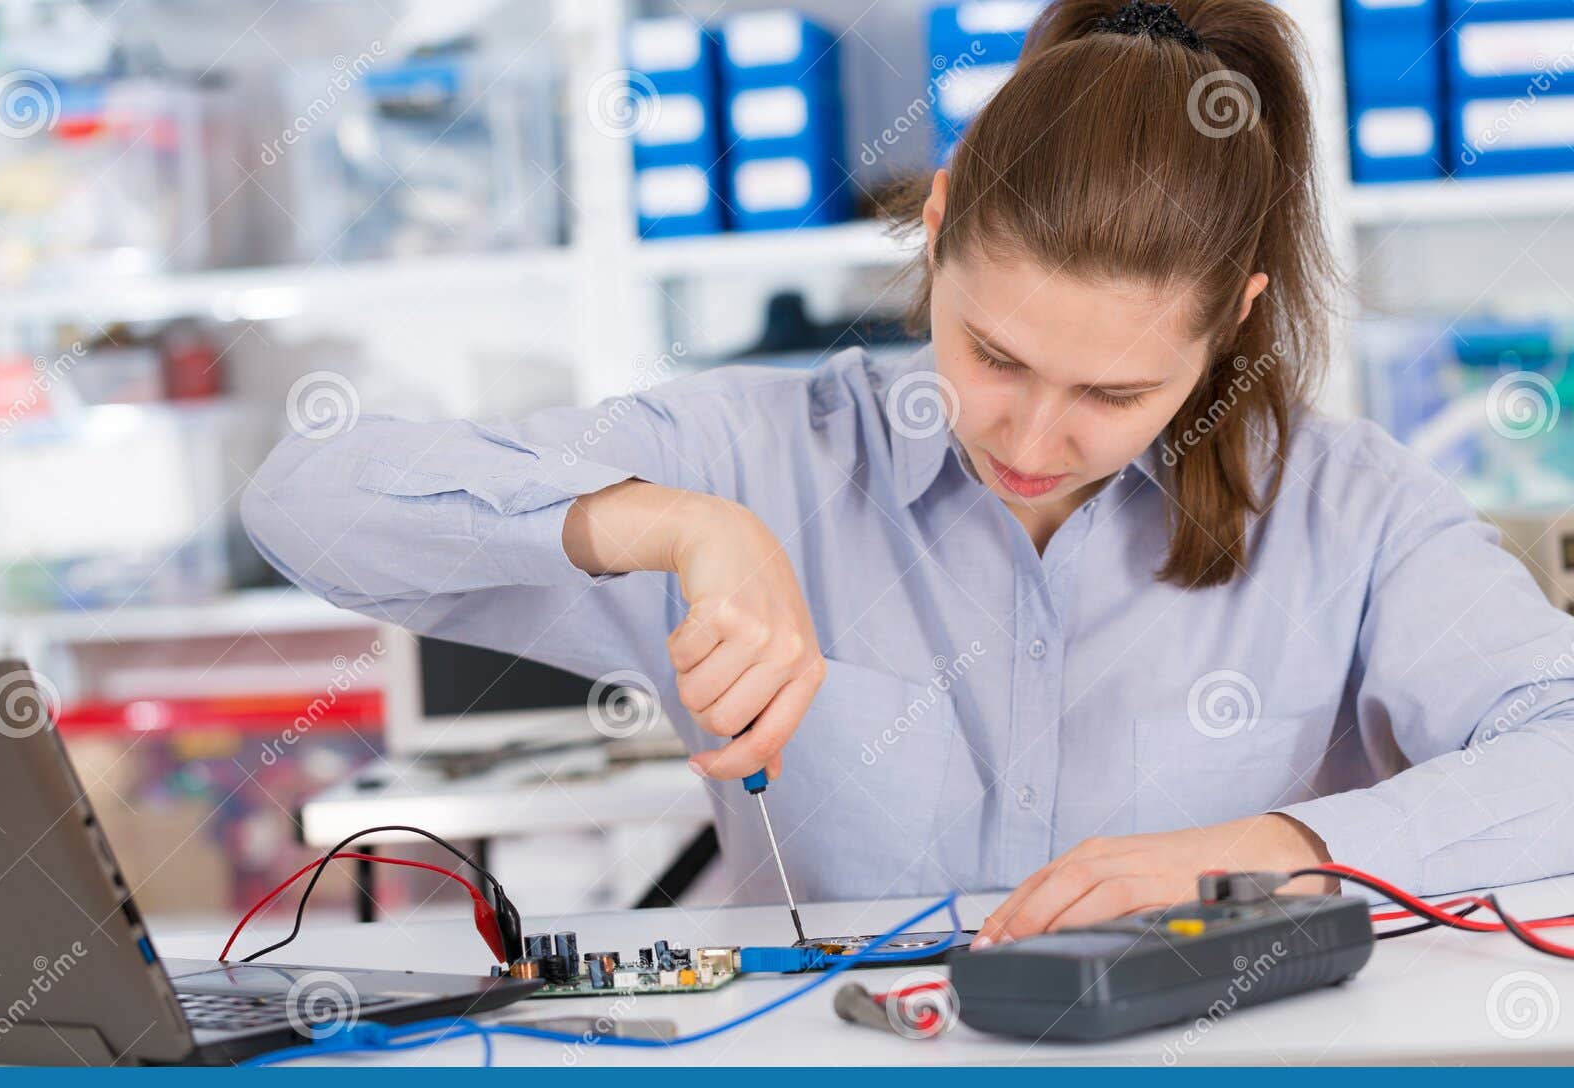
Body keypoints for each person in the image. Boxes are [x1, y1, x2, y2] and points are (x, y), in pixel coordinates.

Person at [242, 0, 1574, 946]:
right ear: (937, 227)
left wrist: (1272, 856)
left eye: (1114, 393)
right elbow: (304, 501)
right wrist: (668, 525)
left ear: (1232, 320)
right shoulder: (758, 454)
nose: (1034, 437)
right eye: (992, 352)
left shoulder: (1353, 509)